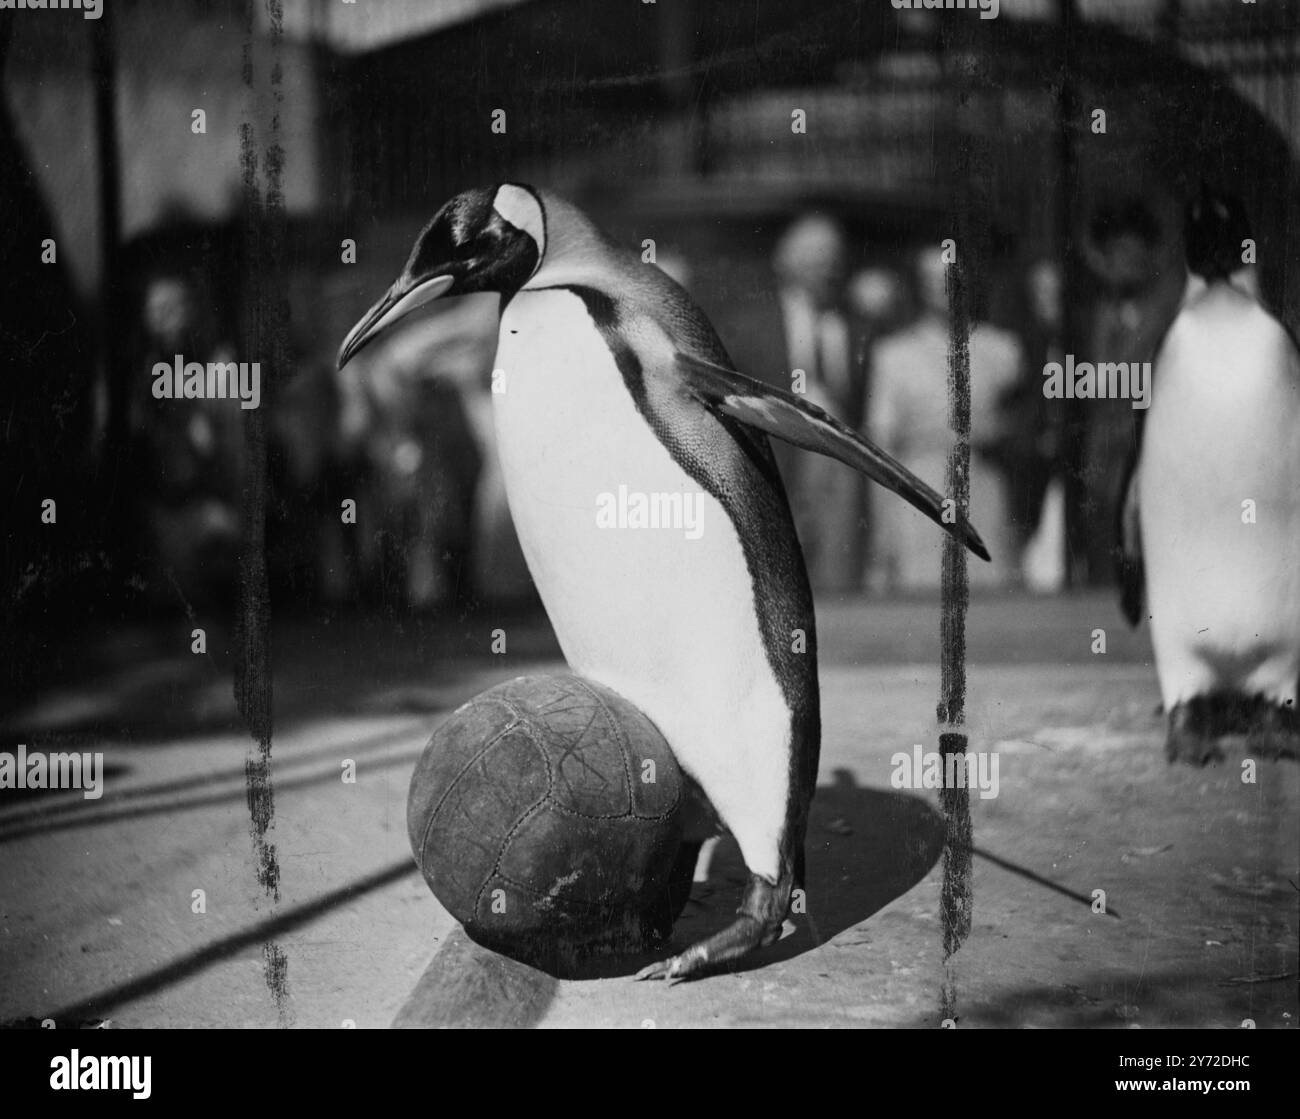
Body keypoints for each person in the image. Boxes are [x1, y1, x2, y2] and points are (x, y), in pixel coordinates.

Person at [865, 245, 1023, 594]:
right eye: (931, 280)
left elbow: (1022, 426)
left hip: (982, 483)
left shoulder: (1002, 350)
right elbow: (881, 446)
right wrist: (883, 532)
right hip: (922, 490)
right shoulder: (893, 355)